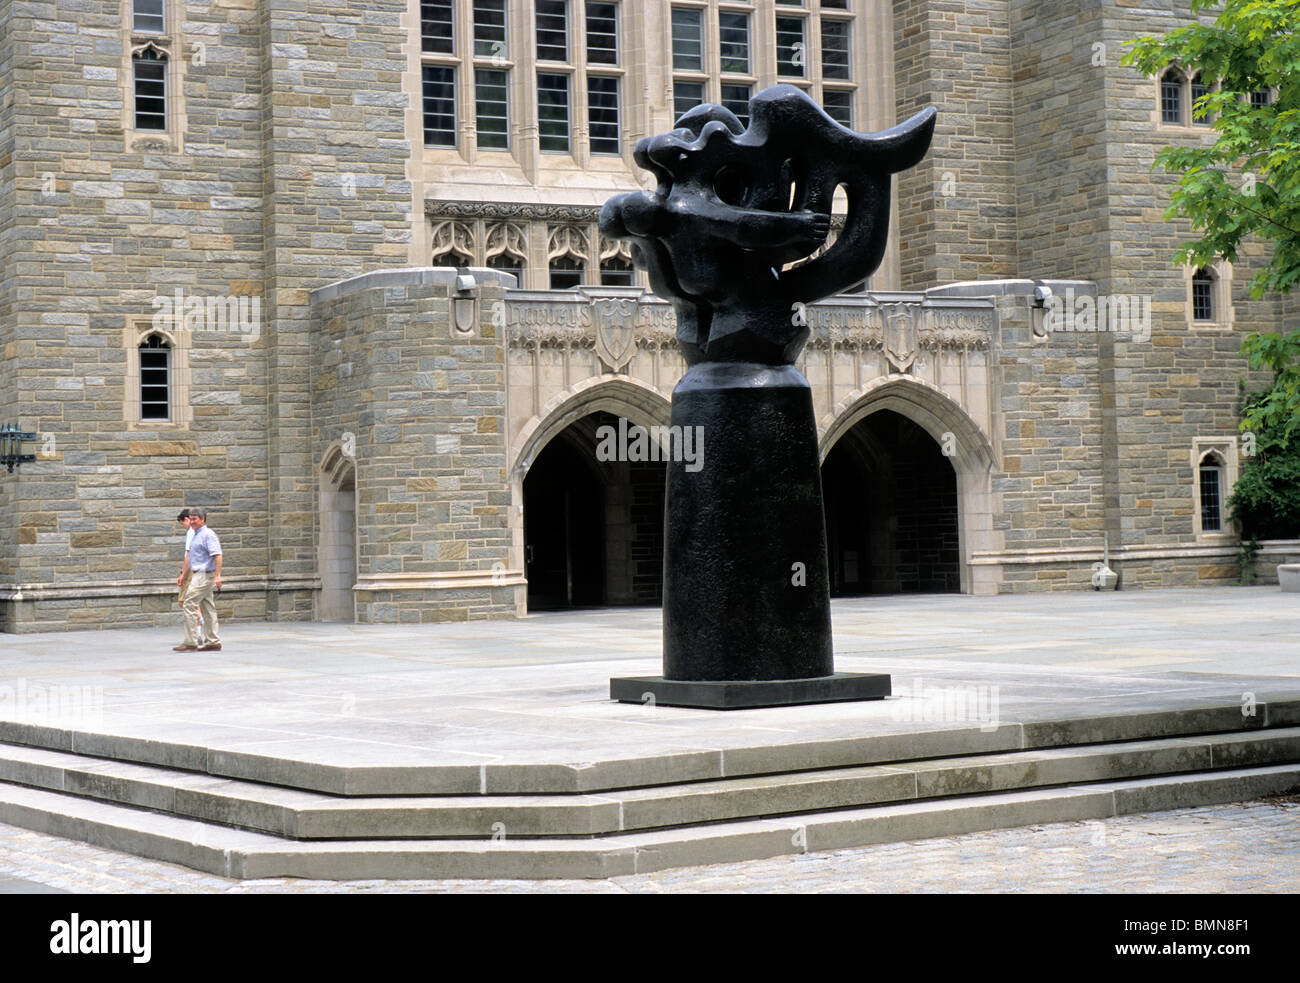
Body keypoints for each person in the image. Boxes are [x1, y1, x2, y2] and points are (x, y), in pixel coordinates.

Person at [175, 509, 222, 652]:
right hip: (197, 574)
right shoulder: (195, 535)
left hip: (204, 575)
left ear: (203, 519)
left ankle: (191, 641)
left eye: (195, 519)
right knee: (208, 607)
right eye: (191, 519)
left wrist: (217, 576)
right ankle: (213, 641)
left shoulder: (208, 535)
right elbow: (189, 556)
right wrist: (183, 574)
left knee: (189, 604)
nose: (192, 521)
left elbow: (218, 555)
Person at [175, 509, 206, 645]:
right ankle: (198, 634)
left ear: (186, 520)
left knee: (186, 601)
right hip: (201, 570)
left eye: (183, 524)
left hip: (192, 570)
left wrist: (183, 574)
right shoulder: (201, 532)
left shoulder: (191, 533)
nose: (185, 526)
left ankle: (196, 632)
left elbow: (188, 555)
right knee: (195, 602)